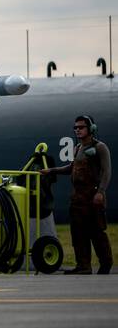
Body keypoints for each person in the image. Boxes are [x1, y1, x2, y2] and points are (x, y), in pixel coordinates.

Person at [40, 115, 111, 274]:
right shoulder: (77, 148)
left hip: (93, 196)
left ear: (91, 128)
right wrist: (51, 170)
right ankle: (83, 266)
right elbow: (71, 168)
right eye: (75, 128)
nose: (77, 130)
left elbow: (107, 171)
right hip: (78, 198)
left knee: (97, 233)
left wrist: (100, 192)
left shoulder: (100, 147)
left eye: (81, 127)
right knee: (78, 234)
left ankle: (106, 265)